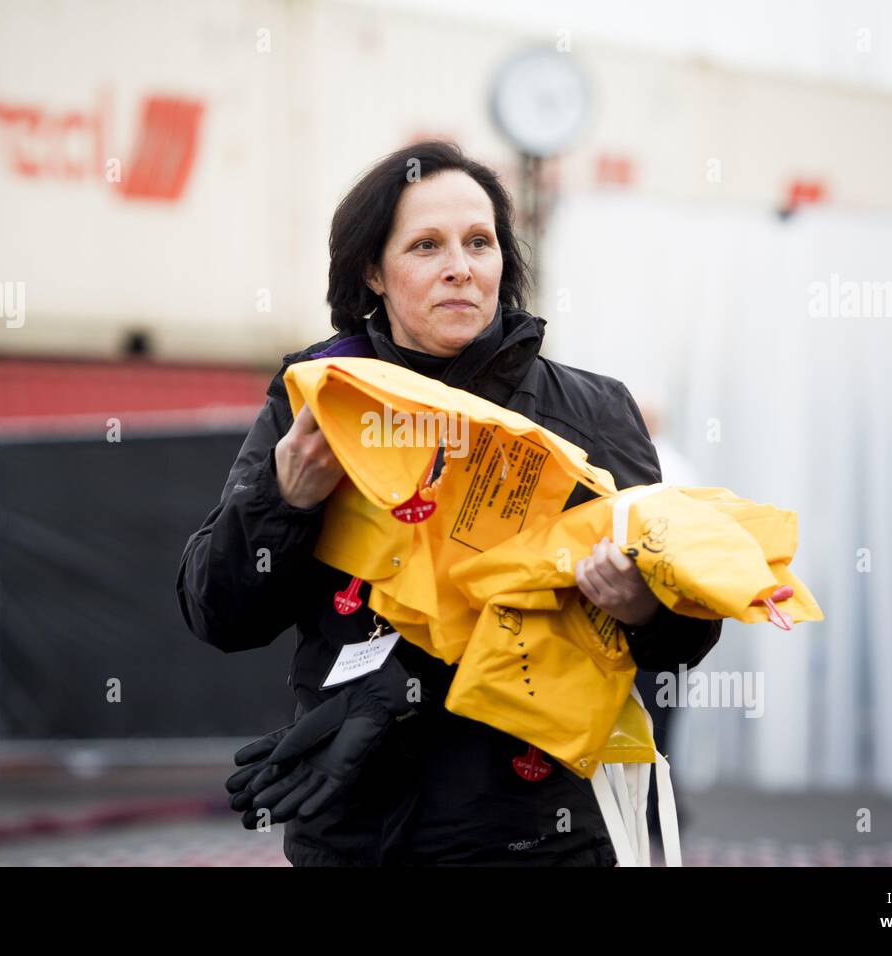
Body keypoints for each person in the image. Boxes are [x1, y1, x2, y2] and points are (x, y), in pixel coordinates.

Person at [175, 141, 722, 866]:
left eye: (479, 242)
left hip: (539, 834)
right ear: (374, 269)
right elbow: (218, 611)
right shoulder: (317, 402)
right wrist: (285, 501)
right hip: (356, 834)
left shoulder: (592, 410)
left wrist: (643, 606)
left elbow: (686, 632)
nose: (460, 267)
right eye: (426, 246)